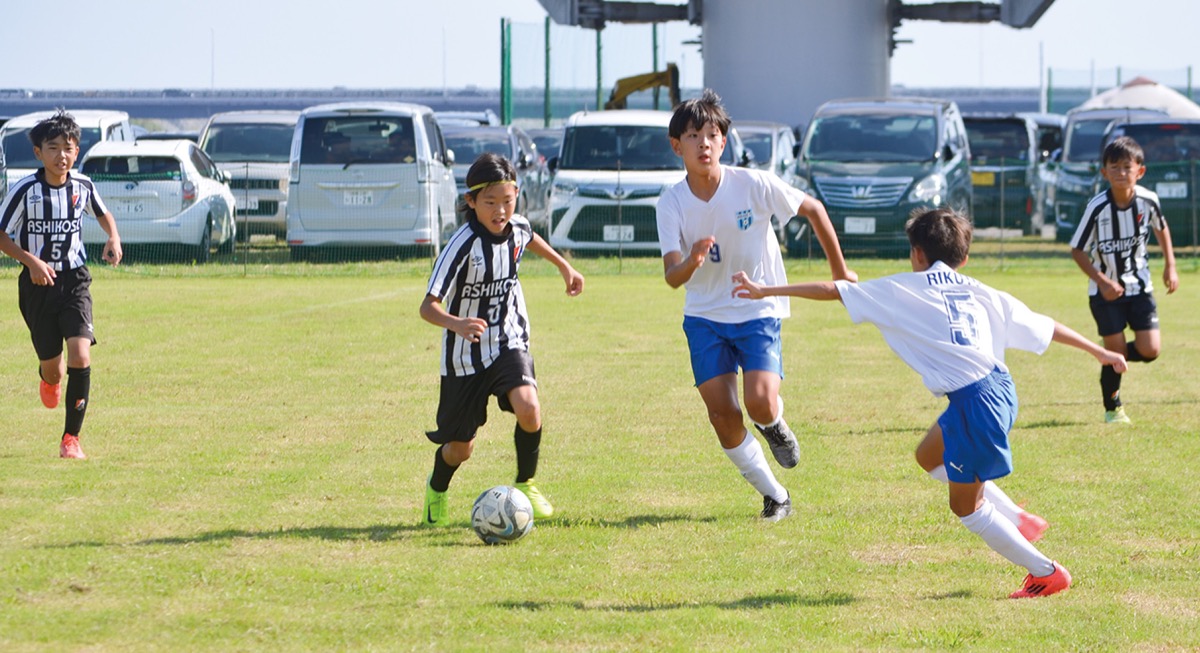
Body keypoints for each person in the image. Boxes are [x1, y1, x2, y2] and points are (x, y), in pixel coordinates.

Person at [732, 207, 1128, 598]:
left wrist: (765, 290)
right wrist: (1099, 352)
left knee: (967, 509)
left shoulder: (905, 286)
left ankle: (1046, 572)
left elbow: (833, 290)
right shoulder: (983, 291)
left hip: (976, 403)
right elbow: (1044, 325)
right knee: (928, 455)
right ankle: (1019, 518)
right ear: (965, 256)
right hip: (997, 390)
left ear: (917, 253)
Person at [656, 89, 856, 522]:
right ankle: (776, 495)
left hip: (756, 307)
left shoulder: (754, 184)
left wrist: (840, 272)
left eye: (712, 134)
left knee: (760, 402)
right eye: (694, 136)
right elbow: (672, 277)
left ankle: (772, 425)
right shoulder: (671, 203)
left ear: (724, 142)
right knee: (722, 415)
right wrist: (691, 260)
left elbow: (815, 210)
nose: (704, 143)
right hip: (705, 317)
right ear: (678, 146)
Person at [419, 152, 584, 525]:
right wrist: (457, 323)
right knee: (461, 448)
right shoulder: (461, 246)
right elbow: (427, 307)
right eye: (490, 202)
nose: (500, 211)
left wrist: (565, 267)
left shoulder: (518, 228)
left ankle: (525, 482)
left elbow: (530, 236)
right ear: (471, 202)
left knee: (529, 407)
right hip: (464, 356)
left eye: (507, 201)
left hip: (509, 340)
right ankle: (436, 490)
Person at [0, 109, 123, 459]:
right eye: (53, 148)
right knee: (54, 370)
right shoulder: (25, 189)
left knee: (81, 355)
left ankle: (71, 439)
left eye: (68, 148)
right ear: (38, 152)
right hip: (37, 286)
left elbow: (102, 213)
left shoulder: (83, 185)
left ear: (77, 151)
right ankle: (47, 377)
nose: (62, 155)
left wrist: (113, 237)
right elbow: (1, 234)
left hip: (75, 280)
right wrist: (32, 261)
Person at [1069, 136, 1179, 424]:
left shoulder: (1149, 200)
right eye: (1114, 167)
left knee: (1150, 350)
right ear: (1104, 172)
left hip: (1140, 286)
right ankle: (1113, 408)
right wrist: (1102, 280)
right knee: (1116, 349)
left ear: (1139, 171)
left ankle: (1109, 357)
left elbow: (1162, 229)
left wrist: (1171, 265)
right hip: (1104, 293)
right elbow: (1077, 250)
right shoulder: (1097, 207)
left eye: (1126, 167)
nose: (1120, 173)